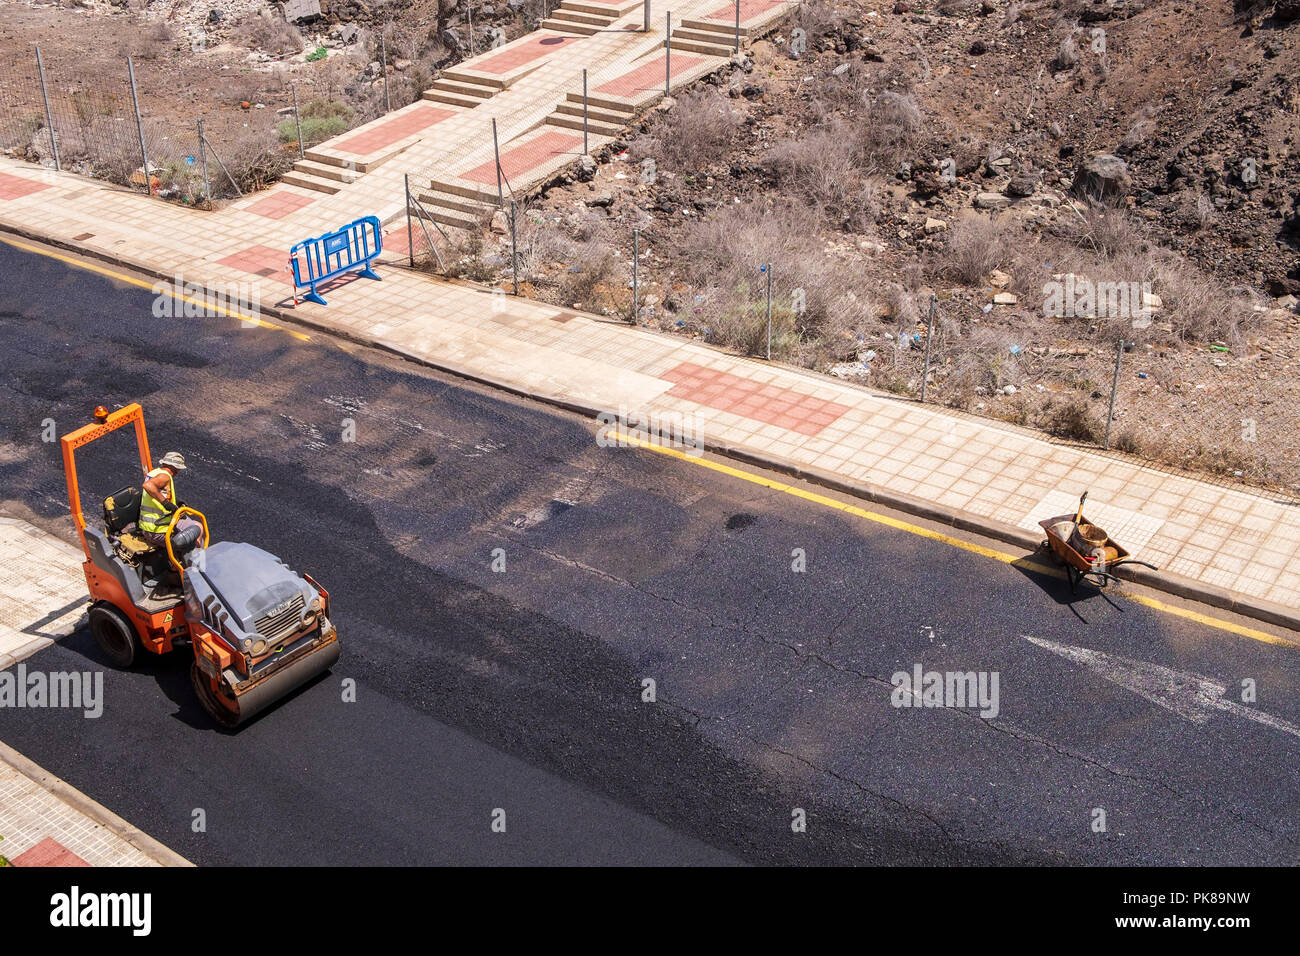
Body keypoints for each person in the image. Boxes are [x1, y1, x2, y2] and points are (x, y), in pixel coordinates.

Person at [138, 452, 204, 558]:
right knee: (196, 532)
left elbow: (159, 492)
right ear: (175, 467)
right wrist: (166, 504)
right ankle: (188, 565)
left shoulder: (155, 472)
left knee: (193, 523)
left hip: (150, 526)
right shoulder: (165, 476)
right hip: (158, 530)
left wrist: (176, 502)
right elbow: (148, 486)